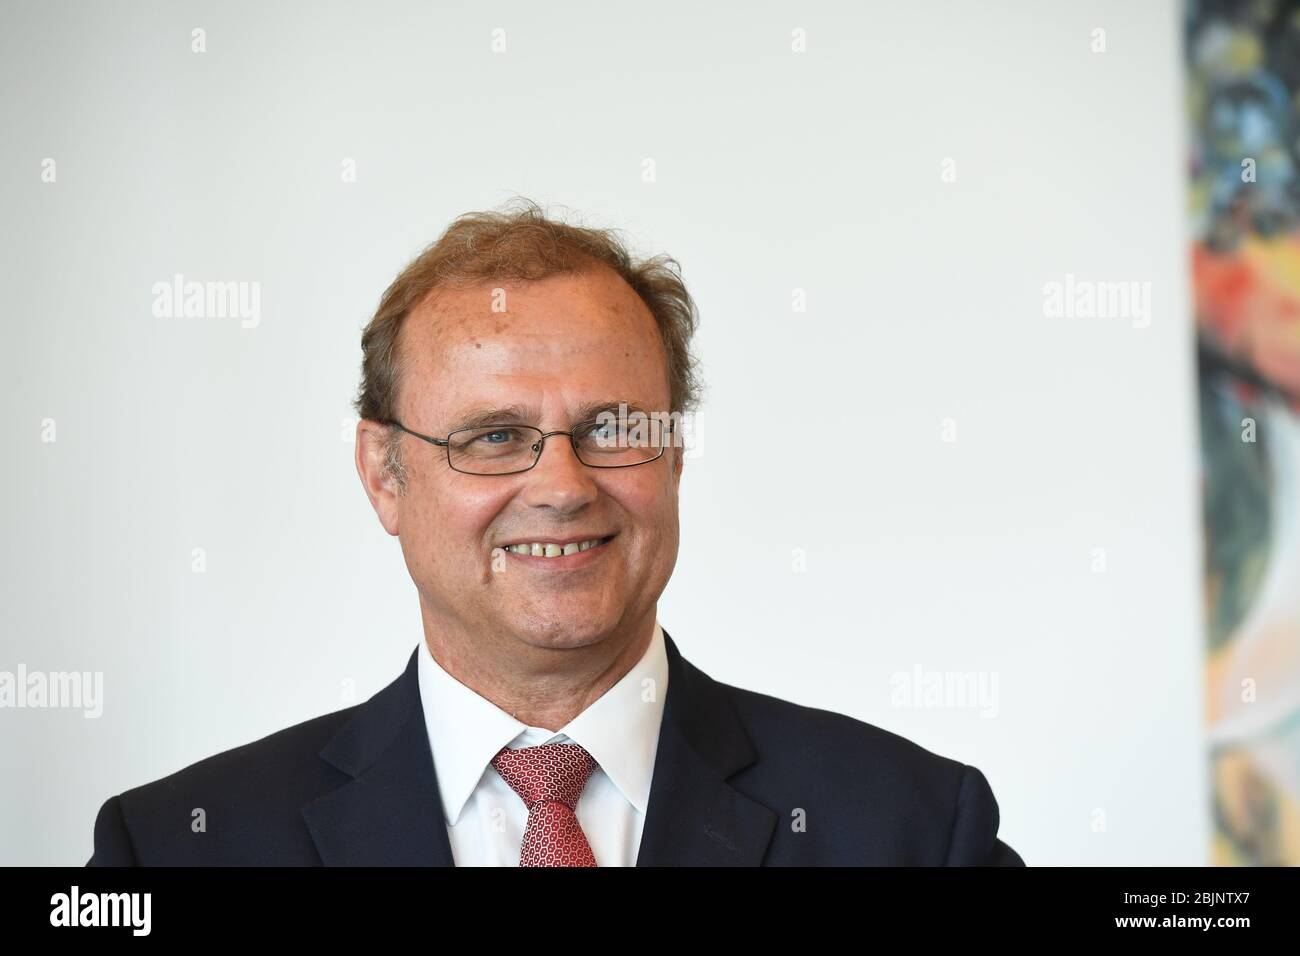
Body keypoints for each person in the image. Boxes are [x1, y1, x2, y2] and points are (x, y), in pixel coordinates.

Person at [88, 199, 1023, 866]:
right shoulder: (178, 845)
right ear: (384, 474)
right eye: (494, 438)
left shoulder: (915, 830)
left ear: (676, 457)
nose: (562, 487)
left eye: (613, 430)